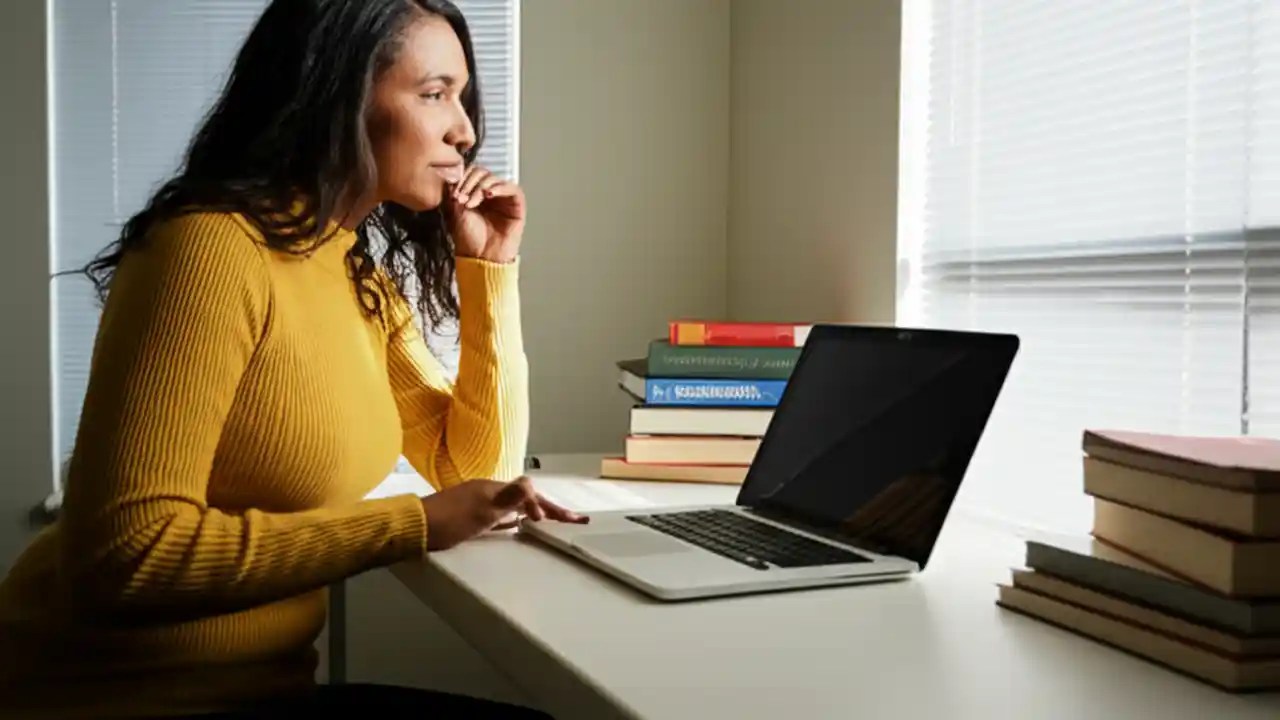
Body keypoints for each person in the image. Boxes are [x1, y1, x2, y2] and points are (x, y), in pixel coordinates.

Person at [0, 1, 587, 717]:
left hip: (262, 689)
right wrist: (411, 524)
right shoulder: (210, 251)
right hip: (116, 698)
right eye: (435, 94)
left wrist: (489, 274)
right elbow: (126, 554)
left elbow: (475, 478)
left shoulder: (351, 271)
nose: (464, 130)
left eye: (460, 98)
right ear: (336, 93)